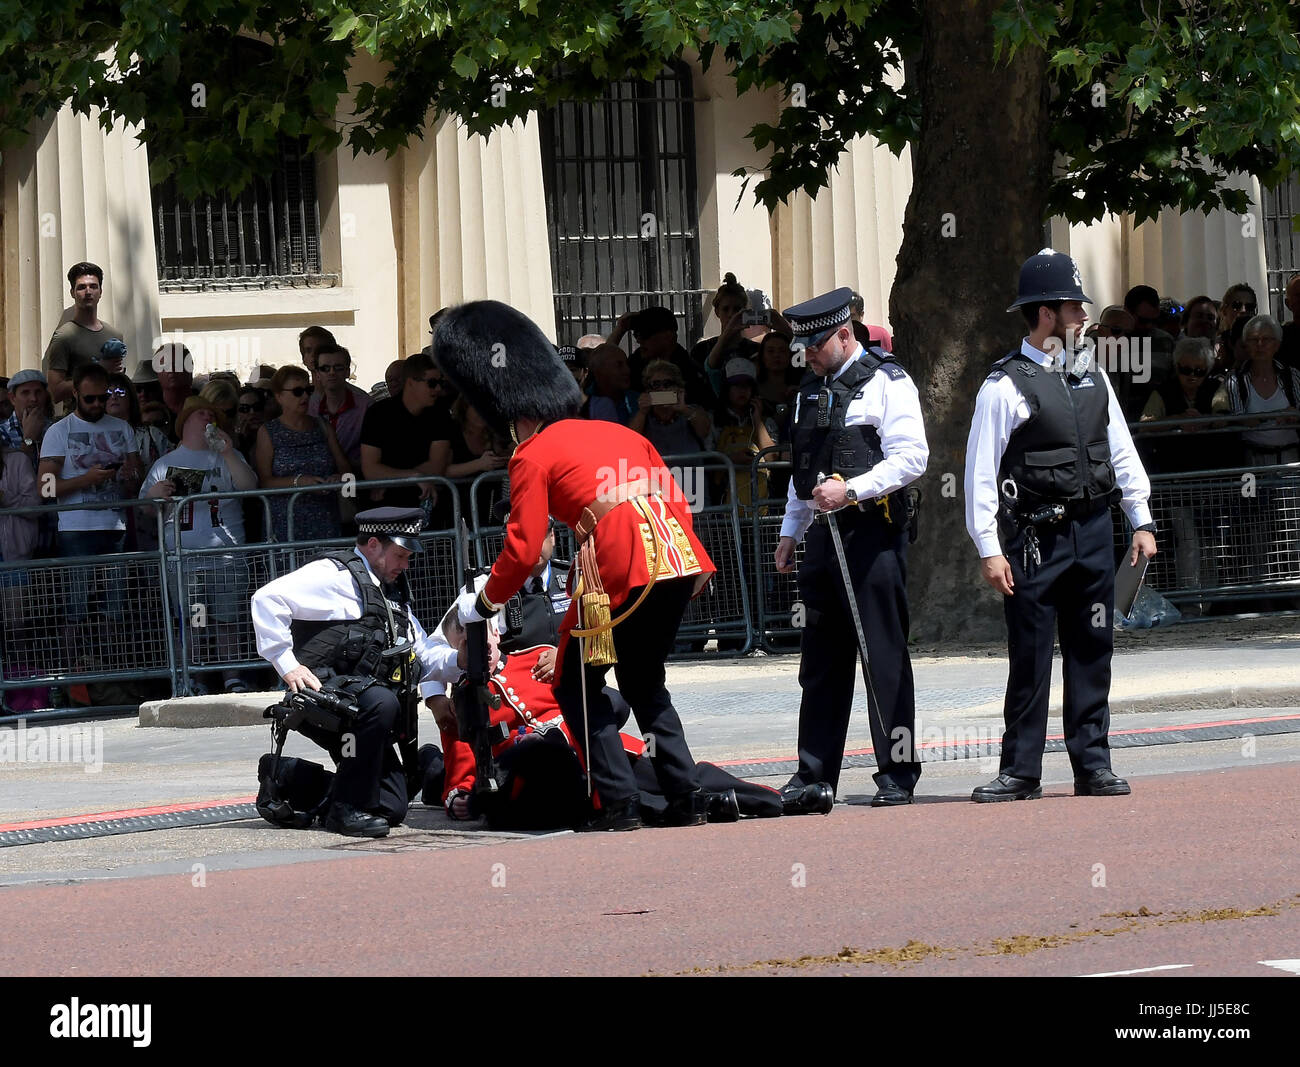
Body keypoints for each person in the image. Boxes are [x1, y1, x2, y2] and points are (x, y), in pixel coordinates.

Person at [440, 299, 717, 832]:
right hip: (678, 556)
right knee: (644, 680)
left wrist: (487, 601)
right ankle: (686, 796)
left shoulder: (532, 454)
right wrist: (694, 564)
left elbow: (523, 546)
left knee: (577, 684)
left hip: (616, 559)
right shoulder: (624, 433)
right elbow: (675, 500)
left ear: (518, 415)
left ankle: (618, 803)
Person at [964, 248, 1157, 803]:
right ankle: (1020, 770)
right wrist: (989, 547)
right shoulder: (1003, 386)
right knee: (1029, 653)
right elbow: (979, 472)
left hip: (1094, 531)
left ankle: (1092, 765)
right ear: (1046, 314)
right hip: (1033, 540)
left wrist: (1139, 519)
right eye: (1075, 308)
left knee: (1093, 648)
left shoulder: (1092, 373)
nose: (1083, 318)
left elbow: (1120, 452)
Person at [773, 288, 928, 811]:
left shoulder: (888, 381)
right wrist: (790, 531)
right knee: (821, 663)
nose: (809, 356)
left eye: (816, 345)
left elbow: (912, 458)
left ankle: (897, 771)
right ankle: (814, 774)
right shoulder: (808, 393)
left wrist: (854, 488)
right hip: (823, 539)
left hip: (871, 537)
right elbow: (803, 474)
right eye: (805, 348)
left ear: (845, 334)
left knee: (883, 655)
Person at [250, 507, 456, 836]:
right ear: (373, 544)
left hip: (360, 710)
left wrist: (461, 662)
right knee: (382, 702)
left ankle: (286, 775)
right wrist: (287, 664)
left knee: (391, 807)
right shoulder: (333, 575)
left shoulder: (389, 590)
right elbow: (266, 599)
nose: (405, 565)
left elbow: (422, 653)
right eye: (400, 555)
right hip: (324, 701)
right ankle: (343, 811)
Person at [141, 397, 258, 693]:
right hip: (184, 557)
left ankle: (232, 677)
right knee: (191, 621)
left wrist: (229, 453)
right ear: (185, 422)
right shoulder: (165, 463)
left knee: (227, 620)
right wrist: (154, 494)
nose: (207, 417)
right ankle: (193, 678)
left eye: (212, 414)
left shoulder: (229, 457)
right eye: (199, 413)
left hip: (227, 555)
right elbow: (145, 508)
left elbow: (250, 487)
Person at [38, 362, 143, 670]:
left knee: (115, 606)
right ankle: (72, 674)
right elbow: (44, 488)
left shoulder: (122, 428)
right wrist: (88, 479)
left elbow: (137, 480)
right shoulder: (59, 432)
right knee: (76, 606)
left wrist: (129, 474)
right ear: (74, 394)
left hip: (115, 527)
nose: (98, 404)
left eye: (103, 396)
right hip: (75, 530)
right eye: (90, 399)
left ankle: (112, 671)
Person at [255, 365, 349, 543]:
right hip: (285, 525)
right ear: (279, 396)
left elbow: (346, 469)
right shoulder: (268, 432)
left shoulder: (323, 426)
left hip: (326, 520)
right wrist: (299, 482)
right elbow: (264, 482)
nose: (305, 396)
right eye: (298, 391)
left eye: (309, 390)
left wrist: (338, 479)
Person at [359, 352, 453, 512]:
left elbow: (437, 466)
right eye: (432, 383)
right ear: (410, 383)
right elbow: (370, 470)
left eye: (440, 383)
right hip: (385, 509)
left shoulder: (440, 413)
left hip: (428, 506)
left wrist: (389, 479)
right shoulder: (378, 413)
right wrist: (414, 476)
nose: (438, 389)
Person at [43, 262, 126, 410]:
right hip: (78, 422)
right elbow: (55, 392)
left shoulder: (114, 335)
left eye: (93, 286)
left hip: (111, 418)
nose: (88, 291)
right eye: (81, 287)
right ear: (72, 293)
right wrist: (98, 370)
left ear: (100, 291)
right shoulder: (63, 336)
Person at [628, 359, 712, 457]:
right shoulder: (643, 416)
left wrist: (684, 409)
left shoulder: (691, 411)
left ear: (678, 387)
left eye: (667, 384)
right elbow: (630, 442)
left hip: (691, 471)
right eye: (656, 384)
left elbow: (704, 432)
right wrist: (642, 413)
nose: (662, 389)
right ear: (648, 390)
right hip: (656, 471)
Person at [308, 343, 369, 469]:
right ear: (317, 374)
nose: (332, 373)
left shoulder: (367, 407)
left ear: (348, 372)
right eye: (325, 368)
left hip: (356, 481)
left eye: (338, 368)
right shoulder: (308, 408)